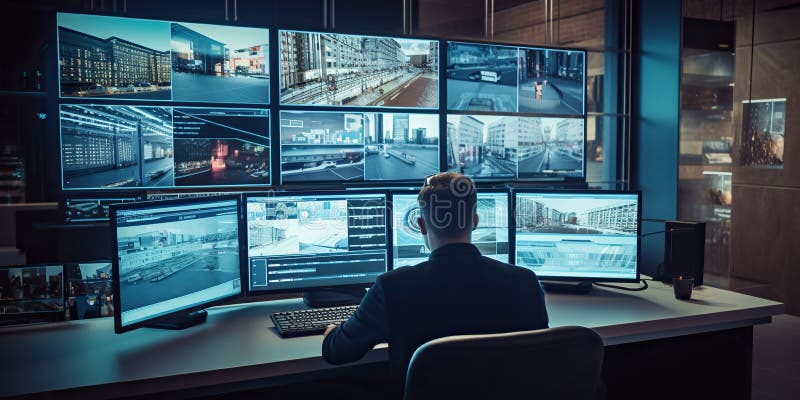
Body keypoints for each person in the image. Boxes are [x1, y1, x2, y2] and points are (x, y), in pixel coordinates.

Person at [322, 172, 549, 396]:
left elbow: (337, 352)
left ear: (421, 225)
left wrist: (333, 332)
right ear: (476, 221)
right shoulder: (525, 282)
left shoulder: (393, 287)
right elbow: (541, 357)